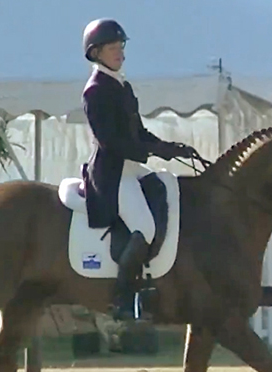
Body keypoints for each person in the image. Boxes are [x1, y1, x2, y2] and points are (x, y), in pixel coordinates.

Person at [80, 18, 199, 320]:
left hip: (132, 166)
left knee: (170, 189)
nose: (119, 52)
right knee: (143, 228)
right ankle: (122, 298)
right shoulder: (95, 90)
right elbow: (110, 141)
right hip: (112, 172)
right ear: (95, 53)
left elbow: (138, 132)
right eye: (112, 48)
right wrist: (150, 150)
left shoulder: (122, 86)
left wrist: (169, 148)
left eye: (121, 47)